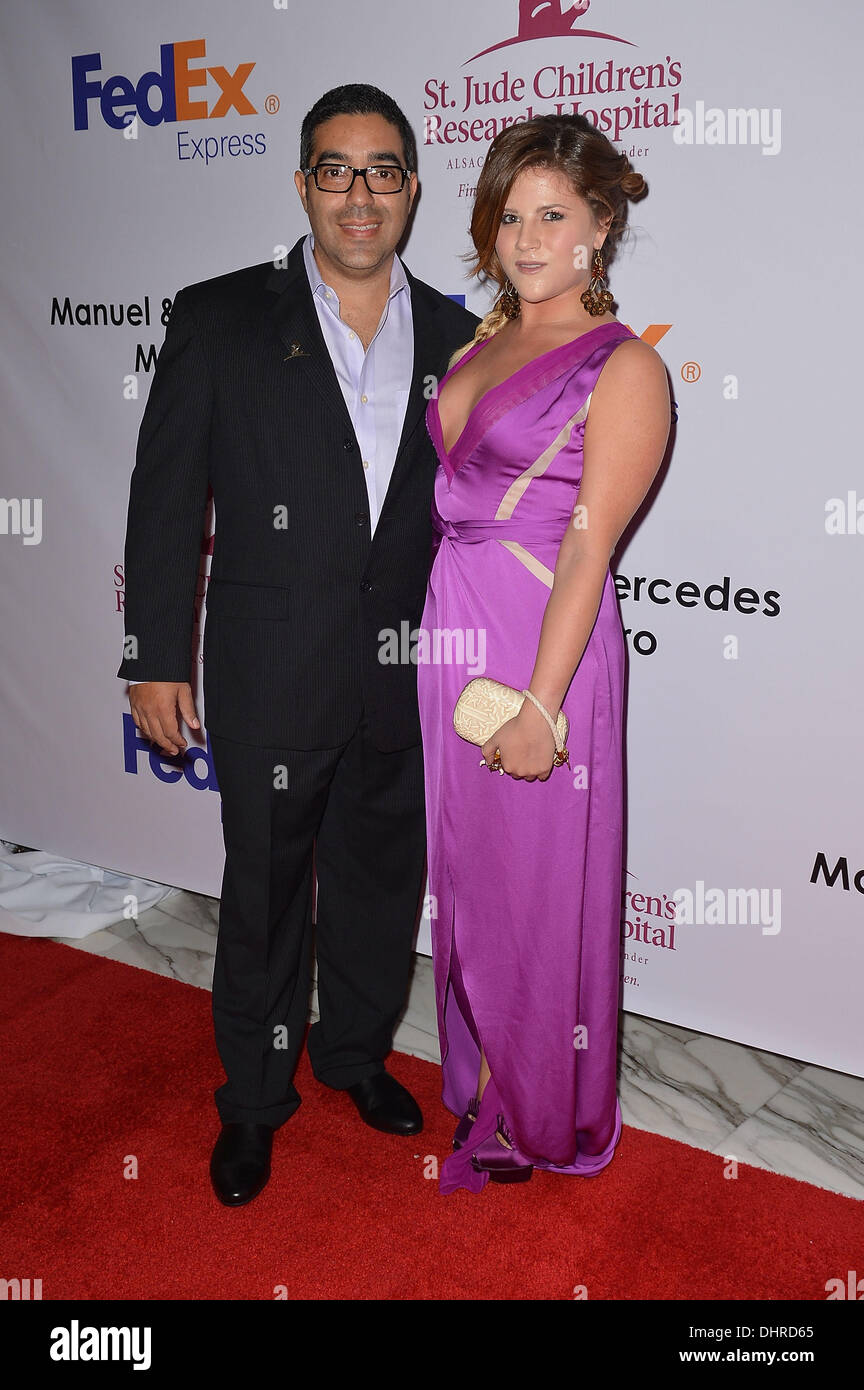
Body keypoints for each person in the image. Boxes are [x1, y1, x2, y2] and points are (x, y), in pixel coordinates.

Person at [117, 84, 478, 1206]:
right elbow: (167, 498)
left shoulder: (467, 337)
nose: (358, 195)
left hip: (404, 668)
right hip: (270, 665)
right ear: (303, 185)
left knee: (379, 877)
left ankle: (357, 1057)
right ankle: (256, 1100)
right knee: (268, 889)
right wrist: (152, 654)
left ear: (412, 189)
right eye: (336, 169)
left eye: (381, 171)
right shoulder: (220, 317)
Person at [417, 113, 671, 1193]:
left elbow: (586, 545)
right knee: (469, 875)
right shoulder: (478, 341)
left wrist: (543, 704)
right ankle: (482, 1075)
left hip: (537, 641)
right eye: (510, 215)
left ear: (600, 226)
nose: (524, 239)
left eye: (552, 215)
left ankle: (542, 1108)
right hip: (452, 626)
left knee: (535, 883)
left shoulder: (626, 368)